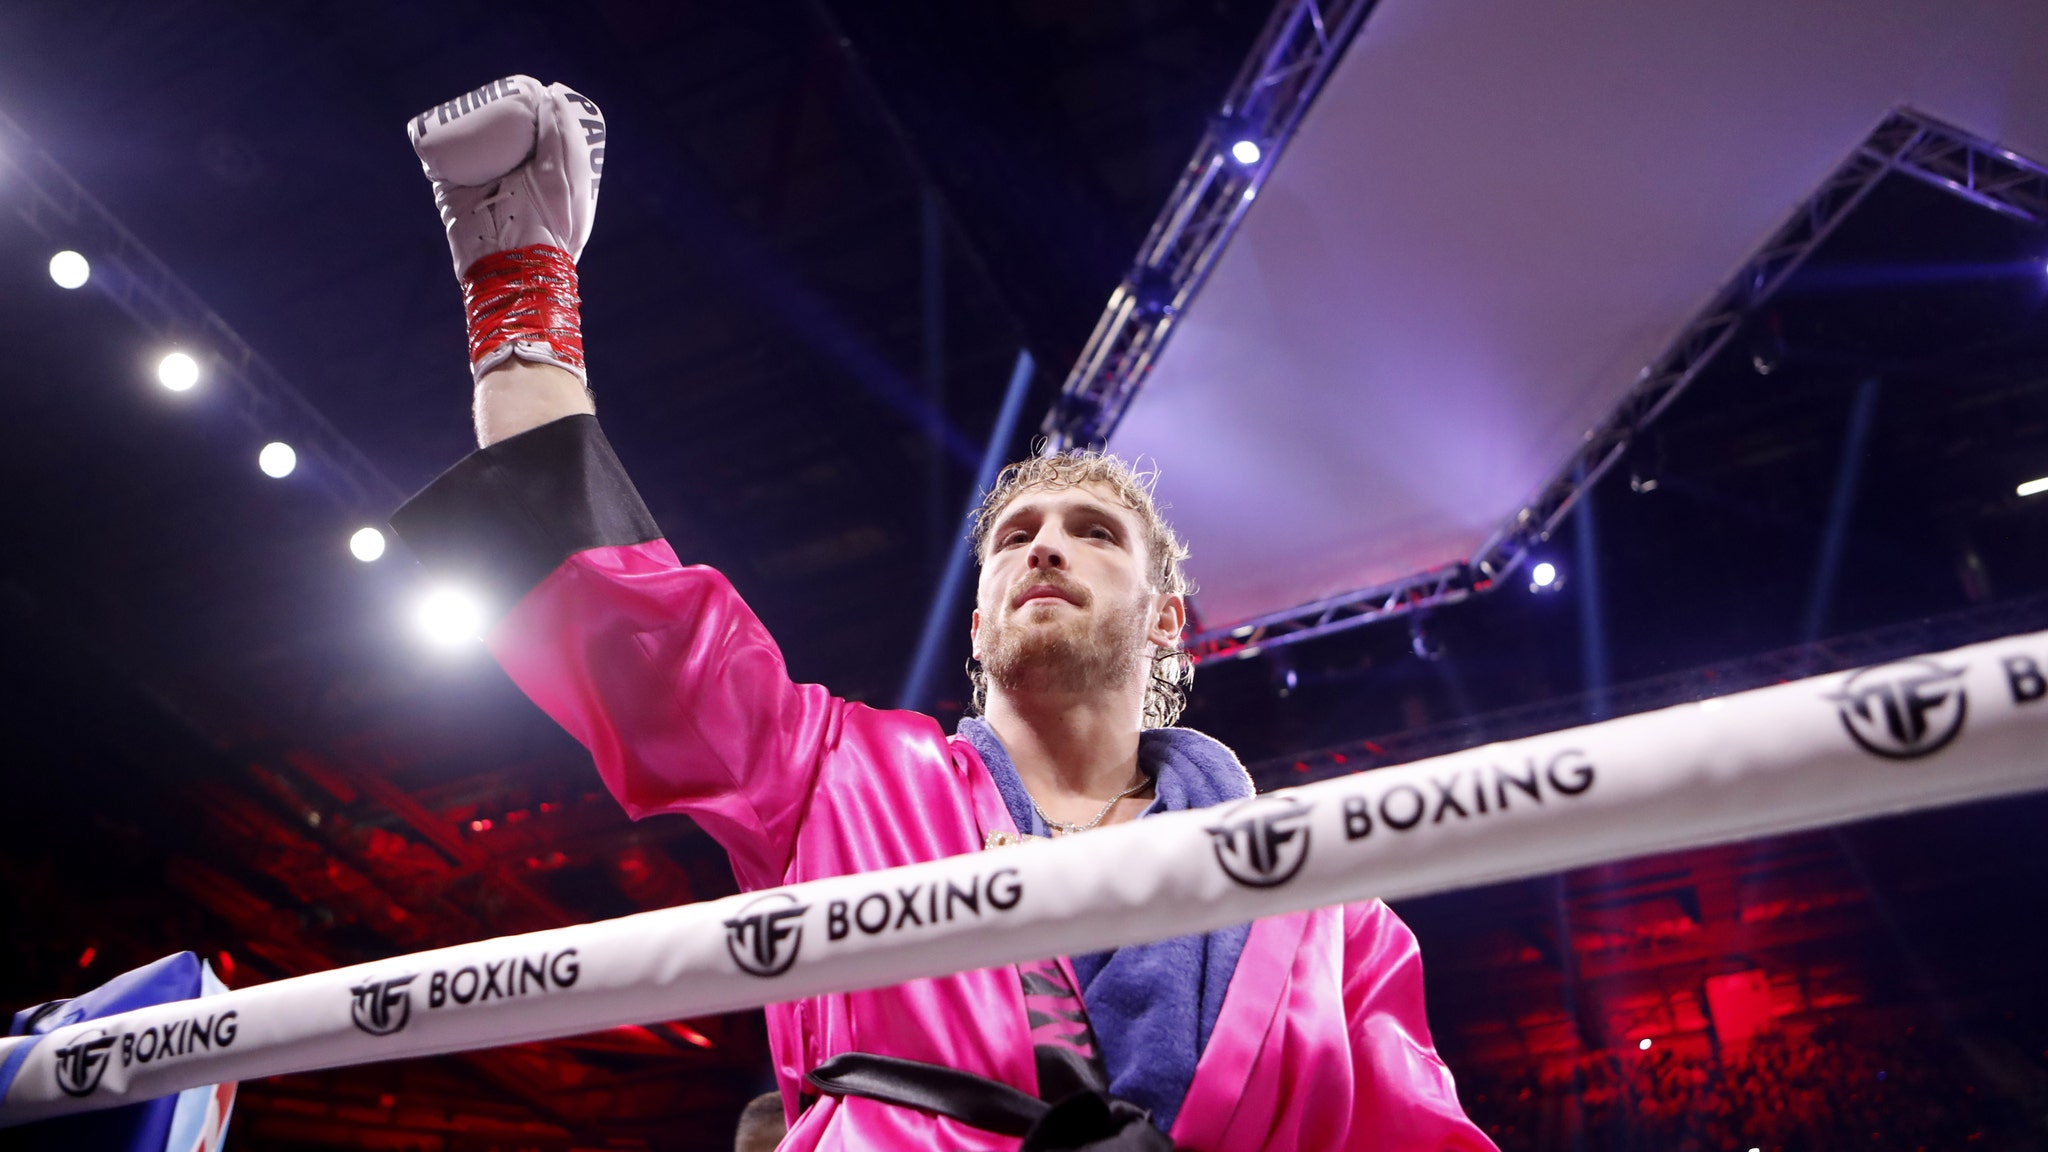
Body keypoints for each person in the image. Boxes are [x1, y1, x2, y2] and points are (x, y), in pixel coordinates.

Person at [391, 75, 1494, 1152]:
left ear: (1165, 622)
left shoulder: (1323, 904)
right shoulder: (836, 778)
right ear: (979, 627)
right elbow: (633, 628)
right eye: (1014, 537)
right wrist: (516, 288)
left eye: (1093, 533)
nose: (1045, 544)